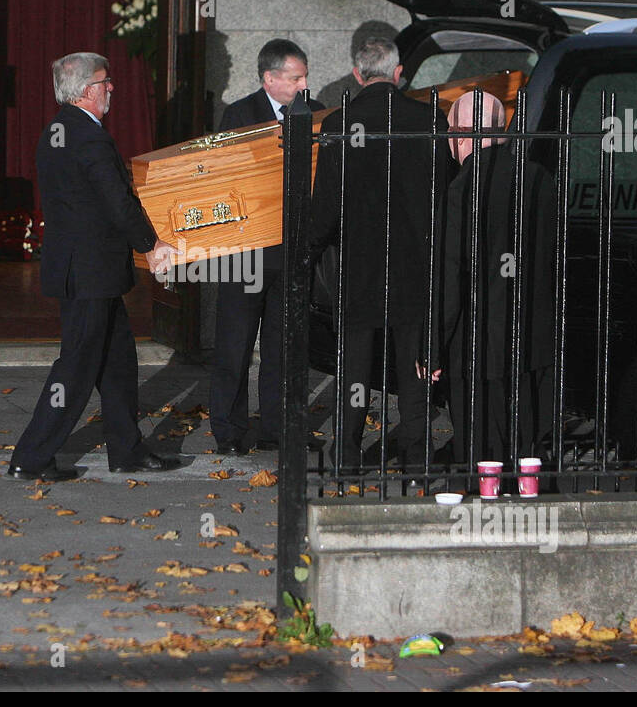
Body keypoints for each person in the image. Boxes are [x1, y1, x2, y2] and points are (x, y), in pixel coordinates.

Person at [10, 52, 181, 482]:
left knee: (118, 362)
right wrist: (151, 244)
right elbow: (116, 201)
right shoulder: (89, 137)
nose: (111, 89)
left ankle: (127, 450)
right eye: (106, 82)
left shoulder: (57, 130)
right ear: (87, 89)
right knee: (76, 367)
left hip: (87, 271)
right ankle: (31, 457)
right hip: (90, 274)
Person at [309, 37, 452, 472]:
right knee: (413, 365)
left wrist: (306, 253)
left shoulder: (340, 122)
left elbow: (326, 208)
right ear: (397, 72)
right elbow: (443, 197)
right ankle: (415, 454)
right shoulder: (429, 120)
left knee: (354, 364)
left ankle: (348, 453)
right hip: (415, 262)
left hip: (359, 265)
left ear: (357, 74)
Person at [211, 39, 324, 456]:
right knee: (234, 345)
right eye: (296, 78)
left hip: (292, 252)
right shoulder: (239, 115)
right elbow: (225, 180)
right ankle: (229, 430)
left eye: (305, 76)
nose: (304, 84)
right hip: (245, 252)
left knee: (285, 347)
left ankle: (280, 428)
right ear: (269, 78)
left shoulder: (316, 111)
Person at [434, 89, 556, 474]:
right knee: (524, 439)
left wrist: (434, 344)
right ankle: (526, 492)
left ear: (461, 134)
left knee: (479, 445)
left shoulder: (461, 188)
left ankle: (483, 497)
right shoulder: (538, 179)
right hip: (531, 338)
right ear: (501, 133)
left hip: (478, 342)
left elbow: (452, 273)